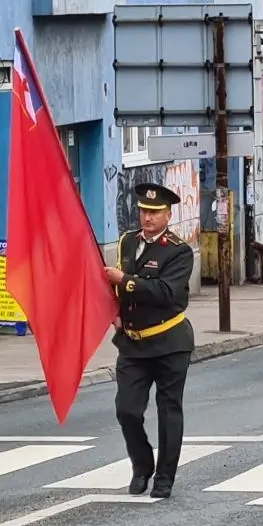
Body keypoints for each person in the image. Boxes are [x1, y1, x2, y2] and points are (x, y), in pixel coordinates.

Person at [104, 183, 195, 499]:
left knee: (169, 409)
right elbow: (110, 286)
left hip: (169, 341)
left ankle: (164, 478)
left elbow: (166, 293)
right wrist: (112, 311)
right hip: (132, 344)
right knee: (126, 410)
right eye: (144, 211)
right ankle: (142, 465)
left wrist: (126, 282)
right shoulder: (128, 242)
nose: (148, 217)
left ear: (168, 215)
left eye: (155, 212)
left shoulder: (179, 251)